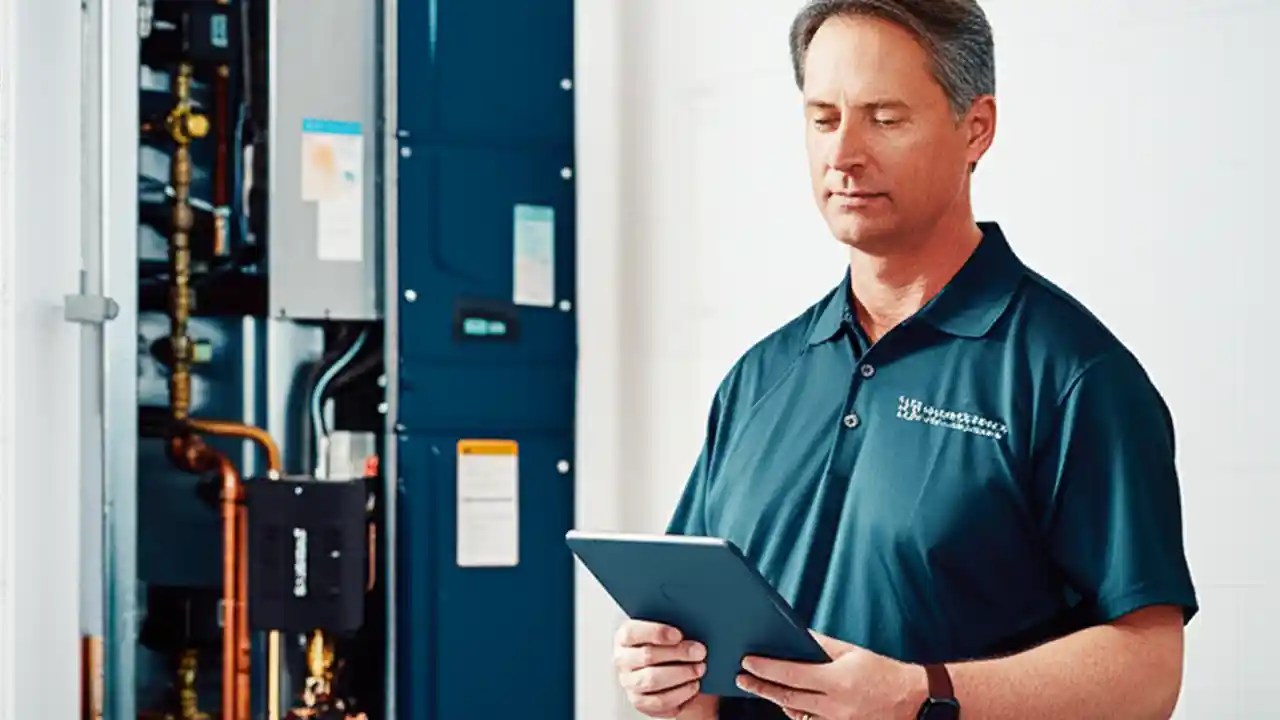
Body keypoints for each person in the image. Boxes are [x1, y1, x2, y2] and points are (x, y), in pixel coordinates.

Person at [611, 1, 1199, 719]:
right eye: (823, 118)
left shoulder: (1072, 375)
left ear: (974, 127)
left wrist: (924, 695)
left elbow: (1148, 672)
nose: (844, 153)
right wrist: (669, 677)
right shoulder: (759, 378)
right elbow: (697, 640)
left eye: (884, 118)